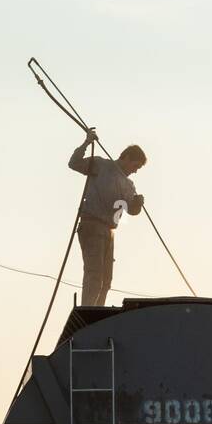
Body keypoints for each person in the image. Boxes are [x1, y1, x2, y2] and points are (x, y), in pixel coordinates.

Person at [68, 130, 146, 307]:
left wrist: (138, 204)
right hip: (92, 224)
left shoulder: (128, 185)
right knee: (95, 274)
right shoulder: (101, 165)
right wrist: (86, 142)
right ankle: (88, 310)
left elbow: (131, 210)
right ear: (126, 157)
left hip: (109, 231)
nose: (135, 171)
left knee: (106, 280)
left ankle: (98, 312)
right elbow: (74, 163)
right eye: (135, 166)